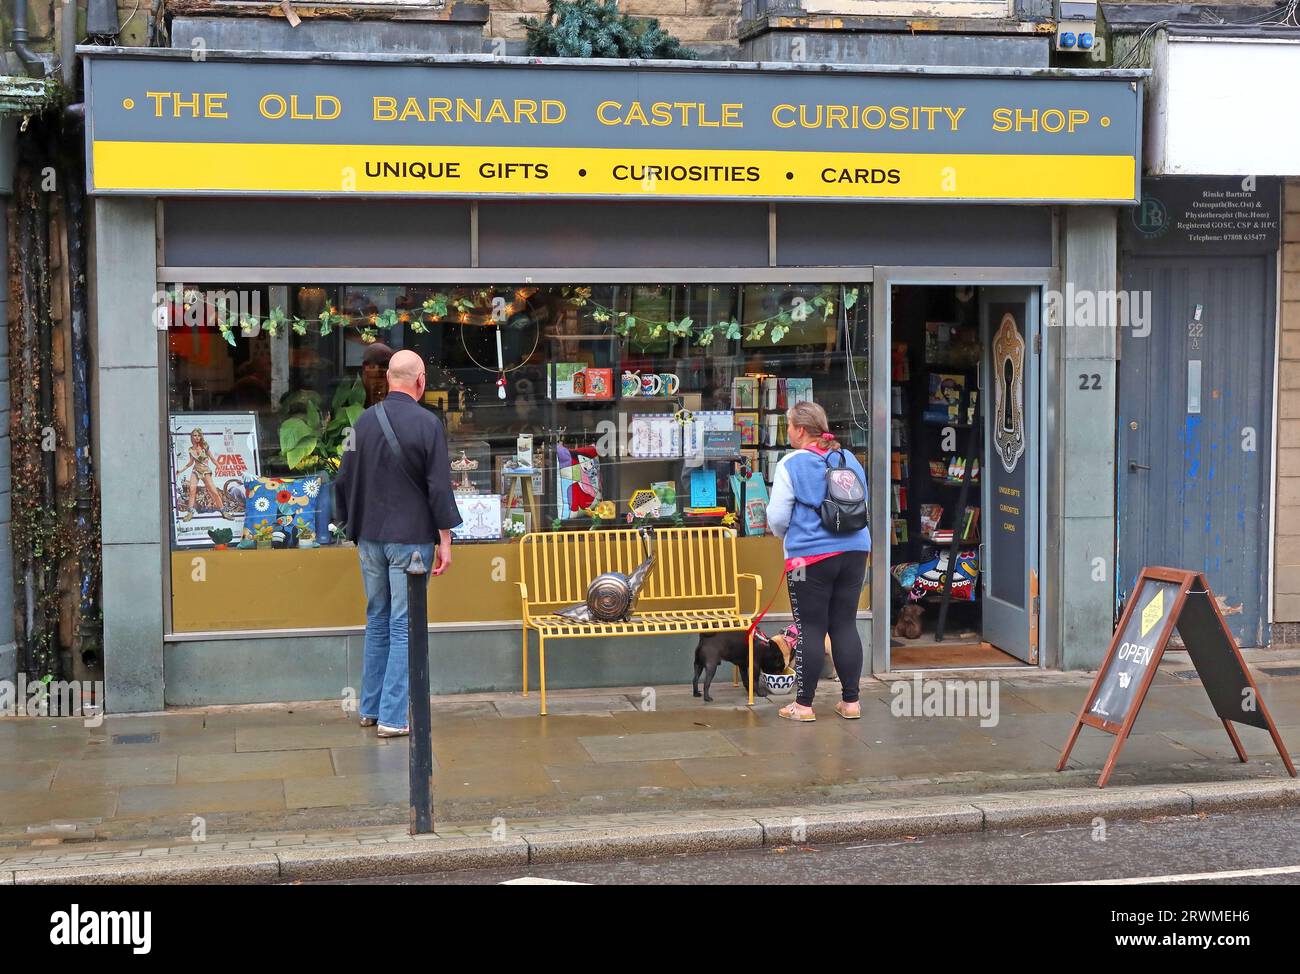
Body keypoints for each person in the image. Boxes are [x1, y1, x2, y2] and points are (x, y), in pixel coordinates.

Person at [334, 349, 462, 737]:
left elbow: (342, 480)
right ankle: (392, 717)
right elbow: (439, 487)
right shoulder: (428, 424)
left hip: (370, 538)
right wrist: (445, 539)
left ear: (388, 379)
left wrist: (350, 526)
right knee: (404, 625)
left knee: (377, 619)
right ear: (420, 381)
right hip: (410, 542)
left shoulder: (362, 423)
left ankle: (370, 708)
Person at [765, 401, 871, 722]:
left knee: (810, 628)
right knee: (844, 624)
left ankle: (804, 706)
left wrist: (788, 537)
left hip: (808, 557)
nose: (788, 432)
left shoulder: (790, 464)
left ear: (800, 430)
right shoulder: (848, 458)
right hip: (855, 550)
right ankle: (850, 703)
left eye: (789, 426)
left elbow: (778, 517)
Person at [178, 429, 221, 521]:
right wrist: (180, 471)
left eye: (198, 435)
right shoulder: (190, 449)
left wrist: (219, 467)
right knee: (192, 490)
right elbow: (190, 463)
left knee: (214, 492)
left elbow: (212, 458)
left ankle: (223, 510)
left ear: (201, 436)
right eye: (194, 435)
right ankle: (190, 513)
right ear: (192, 437)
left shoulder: (205, 447)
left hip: (205, 471)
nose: (197, 437)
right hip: (195, 471)